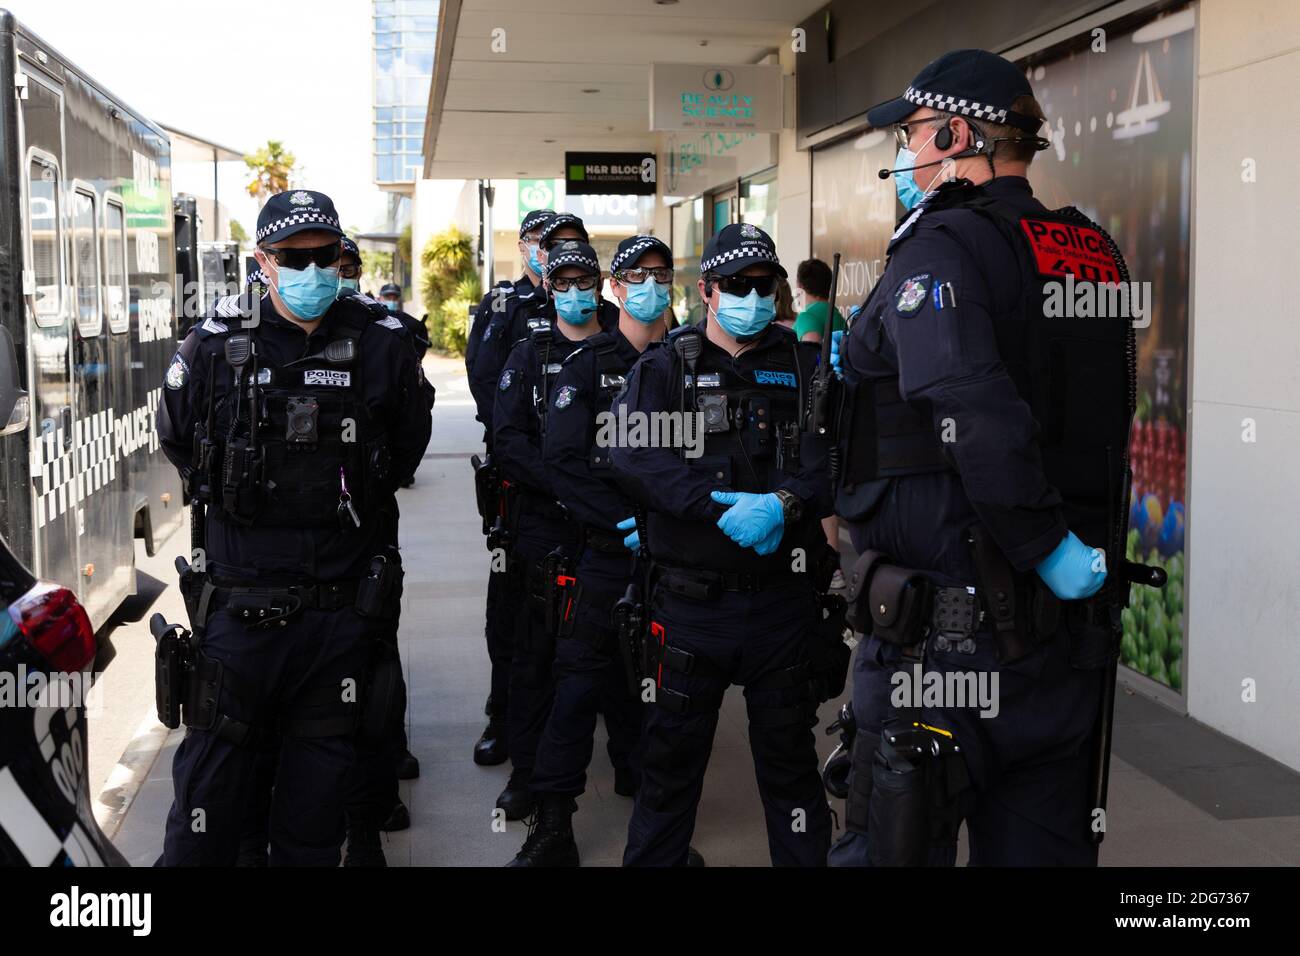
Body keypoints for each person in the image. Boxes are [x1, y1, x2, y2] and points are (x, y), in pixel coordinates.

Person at [827, 49, 1135, 867]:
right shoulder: (1089, 248)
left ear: (957, 134)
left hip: (946, 649)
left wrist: (1042, 544)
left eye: (915, 134)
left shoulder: (943, 244)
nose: (905, 155)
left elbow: (973, 409)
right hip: (1059, 648)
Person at [156, 190, 431, 865]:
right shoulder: (218, 343)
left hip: (338, 623)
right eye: (292, 257)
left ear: (342, 256)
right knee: (205, 815)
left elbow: (400, 454)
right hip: (241, 622)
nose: (311, 271)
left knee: (313, 822)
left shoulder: (382, 344)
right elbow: (180, 441)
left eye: (324, 255)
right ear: (263, 261)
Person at [610, 223, 836, 867]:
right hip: (689, 608)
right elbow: (631, 455)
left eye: (766, 285)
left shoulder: (804, 365)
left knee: (791, 772)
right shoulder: (666, 368)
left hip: (782, 607)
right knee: (669, 770)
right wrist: (712, 509)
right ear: (707, 290)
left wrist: (782, 505)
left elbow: (835, 465)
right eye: (737, 285)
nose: (753, 297)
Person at [506, 235, 674, 866]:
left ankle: (660, 834)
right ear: (618, 286)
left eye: (662, 275)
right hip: (608, 550)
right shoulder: (587, 365)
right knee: (578, 684)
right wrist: (623, 521)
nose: (652, 287)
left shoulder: (688, 360)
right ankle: (552, 824)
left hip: (677, 555)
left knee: (668, 692)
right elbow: (564, 463)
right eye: (640, 275)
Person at [490, 240, 613, 820]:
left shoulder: (627, 349)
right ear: (547, 287)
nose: (573, 291)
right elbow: (506, 438)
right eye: (560, 282)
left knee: (620, 653)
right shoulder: (528, 353)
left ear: (599, 282)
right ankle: (527, 774)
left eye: (583, 279)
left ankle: (631, 765)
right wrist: (562, 485)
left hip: (614, 530)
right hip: (544, 527)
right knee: (535, 655)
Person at [465, 209, 554, 765]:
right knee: (512, 606)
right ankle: (503, 714)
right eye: (542, 242)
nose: (551, 251)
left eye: (565, 243)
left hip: (585, 490)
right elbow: (482, 376)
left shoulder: (597, 310)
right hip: (518, 480)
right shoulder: (504, 303)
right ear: (523, 246)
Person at [791, 258, 848, 588]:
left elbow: (812, 354)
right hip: (840, 406)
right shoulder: (837, 313)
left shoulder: (810, 317)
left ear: (801, 284)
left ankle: (831, 564)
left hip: (818, 409)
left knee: (817, 483)